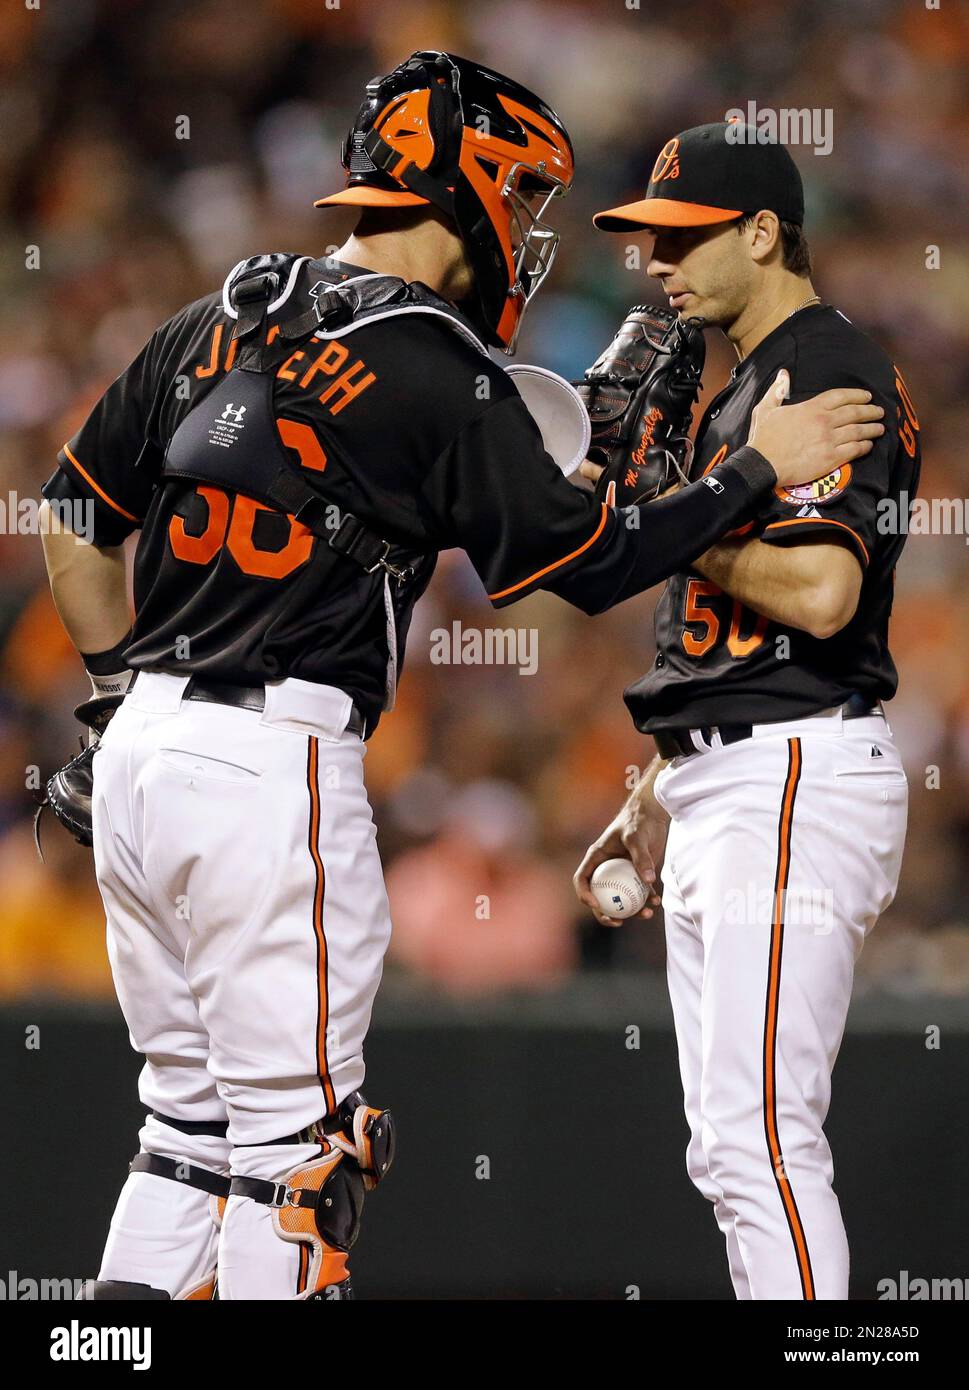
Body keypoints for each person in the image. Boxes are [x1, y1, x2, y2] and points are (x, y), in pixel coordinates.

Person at [39, 56, 877, 1301]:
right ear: (471, 180)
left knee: (182, 1141)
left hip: (144, 748)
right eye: (526, 193)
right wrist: (754, 469)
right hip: (270, 761)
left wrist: (118, 698)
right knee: (298, 1166)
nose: (530, 230)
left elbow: (69, 521)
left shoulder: (222, 309)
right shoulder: (435, 359)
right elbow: (595, 569)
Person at [576, 122, 919, 1300]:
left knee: (764, 1135)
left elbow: (823, 596)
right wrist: (666, 771)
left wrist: (680, 506)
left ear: (764, 232)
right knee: (731, 1144)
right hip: (735, 772)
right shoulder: (746, 397)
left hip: (793, 769)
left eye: (684, 236)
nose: (657, 263)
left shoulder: (825, 370)